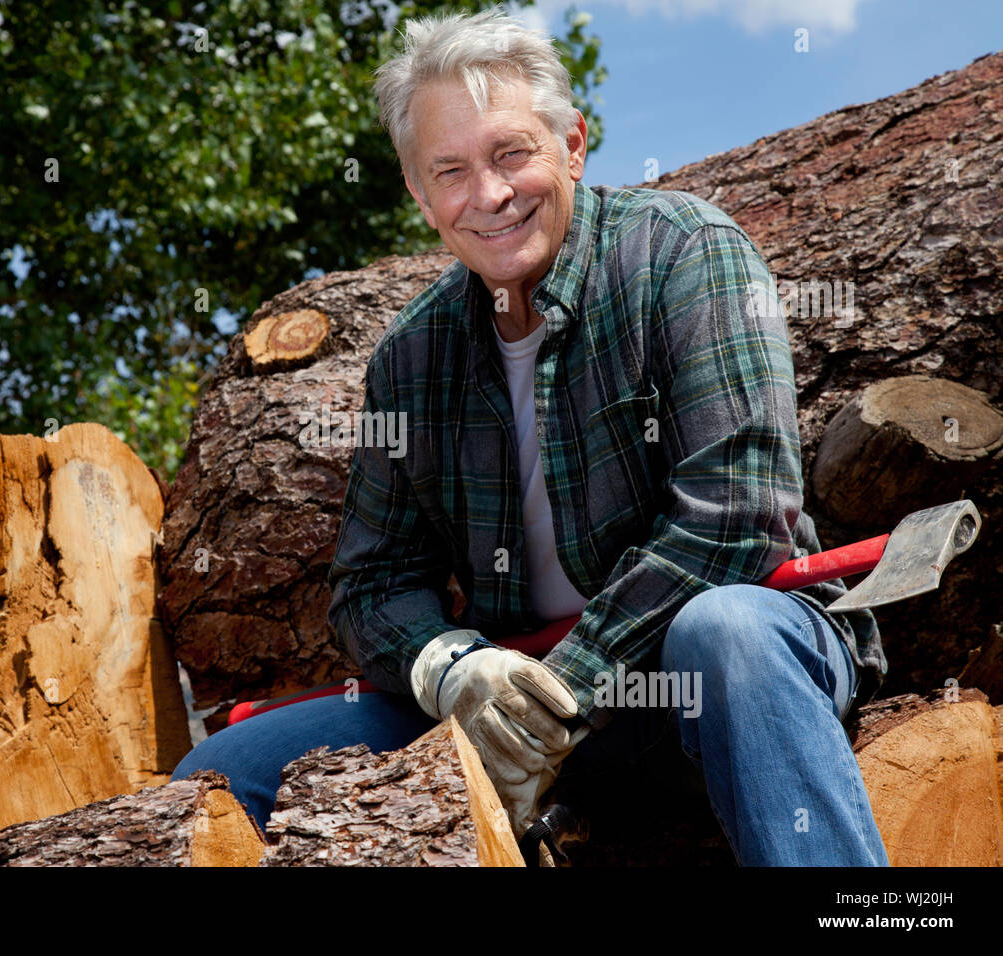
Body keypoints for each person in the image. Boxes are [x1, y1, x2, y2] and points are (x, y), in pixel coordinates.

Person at [173, 8, 889, 866]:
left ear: (573, 145)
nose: (489, 195)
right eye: (451, 170)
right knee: (223, 771)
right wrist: (455, 671)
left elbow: (737, 512)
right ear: (418, 192)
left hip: (711, 678)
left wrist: (563, 691)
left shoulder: (688, 255)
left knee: (726, 631)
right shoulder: (410, 359)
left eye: (512, 153)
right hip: (509, 699)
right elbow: (370, 584)